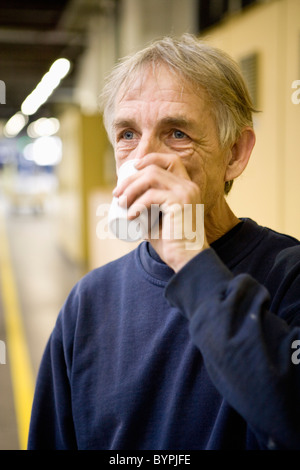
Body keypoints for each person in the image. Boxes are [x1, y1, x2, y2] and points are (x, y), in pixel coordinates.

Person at [27, 34, 300, 450]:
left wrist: (191, 258)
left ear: (235, 154)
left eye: (176, 133)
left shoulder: (289, 274)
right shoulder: (88, 302)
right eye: (127, 135)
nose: (145, 160)